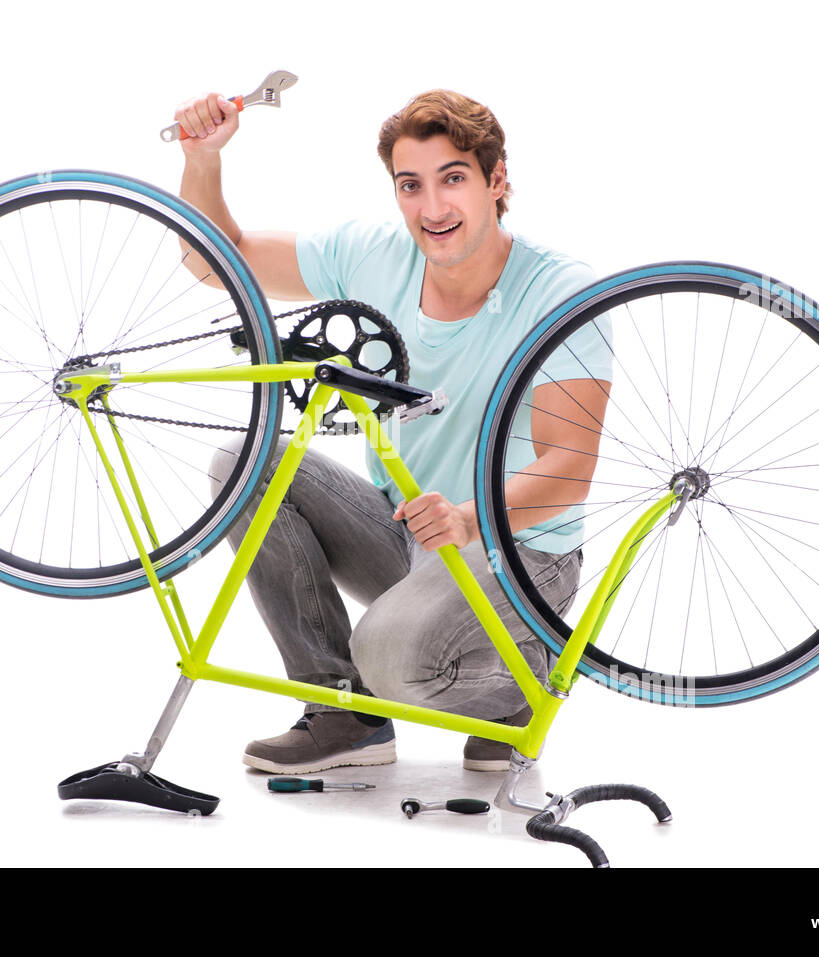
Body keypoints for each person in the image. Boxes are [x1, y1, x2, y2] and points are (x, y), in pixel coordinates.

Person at [174, 88, 610, 774]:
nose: (432, 208)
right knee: (243, 462)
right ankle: (345, 712)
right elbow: (213, 260)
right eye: (412, 185)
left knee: (388, 657)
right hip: (405, 527)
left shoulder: (559, 291)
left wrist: (468, 519)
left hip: (515, 550)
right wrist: (203, 159)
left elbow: (571, 464)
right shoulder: (373, 255)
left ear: (498, 182)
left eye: (454, 179)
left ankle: (517, 685)